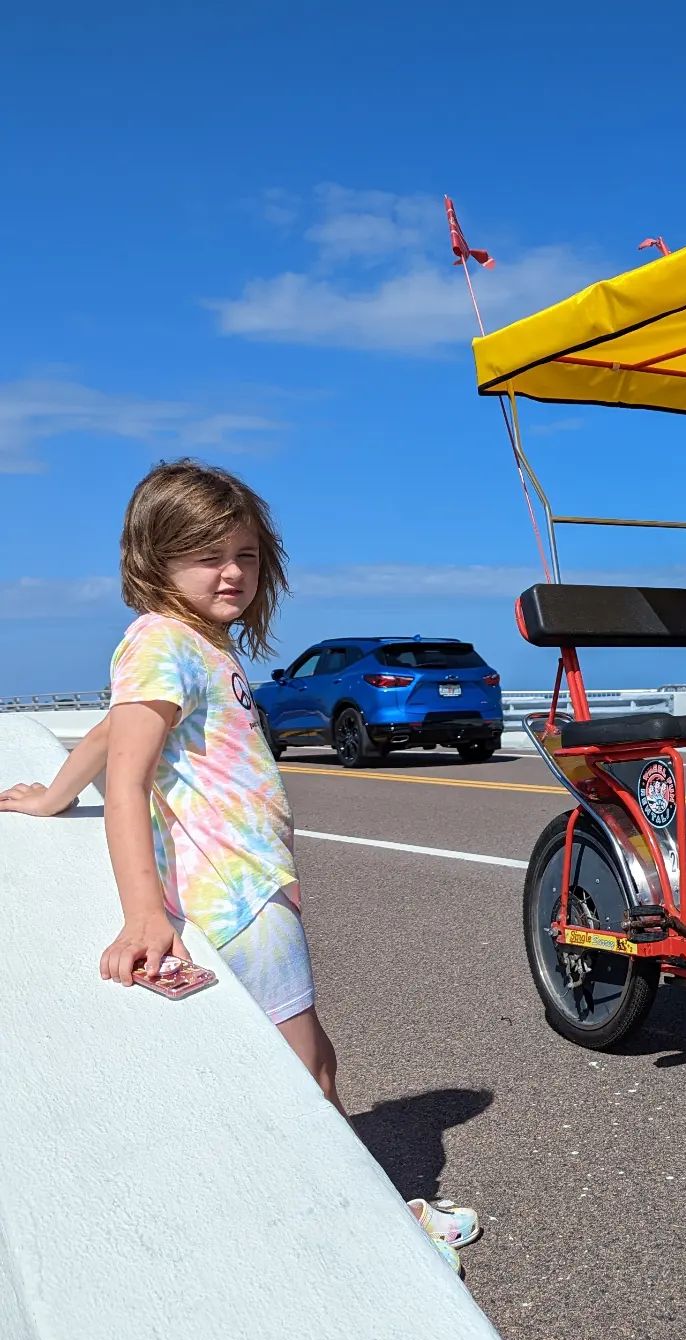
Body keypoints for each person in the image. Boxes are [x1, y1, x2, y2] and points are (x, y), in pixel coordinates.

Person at [0, 459, 480, 1269]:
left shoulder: (192, 643)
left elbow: (113, 733)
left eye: (246, 555)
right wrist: (144, 912)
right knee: (308, 1079)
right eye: (206, 555)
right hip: (240, 899)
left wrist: (52, 794)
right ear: (153, 559)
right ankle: (373, 1241)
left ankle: (349, 1219)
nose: (232, 573)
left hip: (254, 888)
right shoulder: (160, 641)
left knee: (308, 1067)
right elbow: (128, 778)